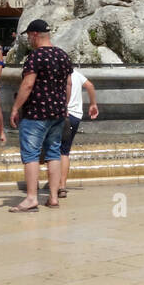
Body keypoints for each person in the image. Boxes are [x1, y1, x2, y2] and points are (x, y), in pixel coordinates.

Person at [8, 19, 73, 213]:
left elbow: (27, 85)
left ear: (35, 35)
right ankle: (53, 197)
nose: (28, 39)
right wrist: (64, 105)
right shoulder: (62, 55)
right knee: (54, 153)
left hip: (35, 114)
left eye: (29, 36)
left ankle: (31, 198)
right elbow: (68, 84)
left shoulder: (35, 57)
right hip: (57, 113)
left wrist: (15, 108)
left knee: (31, 154)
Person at [55, 66, 99, 202]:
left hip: (60, 114)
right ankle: (61, 186)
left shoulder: (55, 73)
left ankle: (53, 184)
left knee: (53, 149)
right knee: (64, 151)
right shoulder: (76, 74)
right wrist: (93, 104)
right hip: (75, 117)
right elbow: (90, 86)